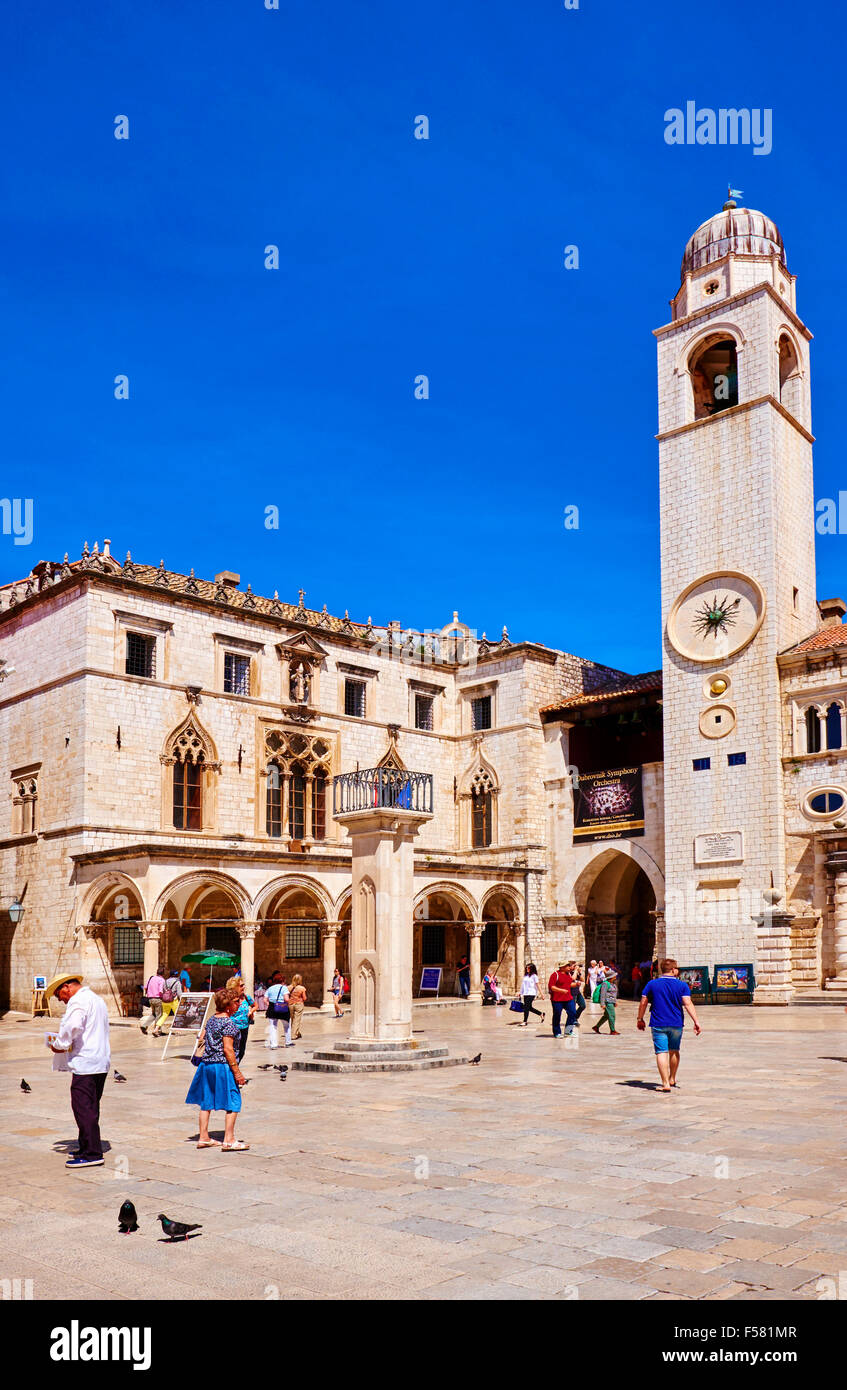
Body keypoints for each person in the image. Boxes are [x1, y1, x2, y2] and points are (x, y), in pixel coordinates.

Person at [45, 973, 111, 1169]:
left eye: (59, 996)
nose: (61, 1000)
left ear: (66, 988)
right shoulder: (96, 999)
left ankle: (92, 1153)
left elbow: (73, 1026)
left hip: (86, 1063)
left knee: (83, 1108)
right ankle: (86, 1146)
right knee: (91, 1107)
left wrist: (60, 1044)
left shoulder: (78, 1001)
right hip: (100, 1061)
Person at [185, 988, 248, 1150]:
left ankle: (204, 1137)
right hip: (222, 1066)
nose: (239, 1003)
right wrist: (237, 1072)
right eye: (236, 1001)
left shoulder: (211, 1020)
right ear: (228, 1005)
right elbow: (228, 1049)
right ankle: (229, 1139)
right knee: (234, 1100)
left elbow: (202, 1038)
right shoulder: (229, 1024)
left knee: (206, 1102)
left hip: (206, 1066)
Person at [637, 958, 702, 1093]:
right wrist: (696, 1021)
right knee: (674, 1050)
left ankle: (665, 1083)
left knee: (661, 1052)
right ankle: (672, 1078)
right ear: (673, 970)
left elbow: (643, 1002)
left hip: (658, 1023)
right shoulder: (682, 985)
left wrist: (640, 1018)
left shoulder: (652, 984)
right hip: (676, 1023)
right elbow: (688, 1003)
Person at [226, 976, 255, 1063]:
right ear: (234, 987)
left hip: (244, 1027)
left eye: (243, 985)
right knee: (232, 1051)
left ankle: (234, 1069)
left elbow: (255, 1005)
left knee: (241, 1051)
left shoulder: (246, 997)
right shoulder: (229, 999)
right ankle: (232, 1072)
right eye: (241, 985)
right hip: (232, 1028)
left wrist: (251, 1011)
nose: (244, 987)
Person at [151, 967, 183, 1037]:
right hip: (173, 1001)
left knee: (164, 1015)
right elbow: (179, 993)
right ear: (176, 975)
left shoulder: (165, 981)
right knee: (177, 1015)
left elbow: (163, 990)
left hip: (165, 1001)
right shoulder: (177, 982)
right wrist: (182, 1000)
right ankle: (177, 1030)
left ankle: (156, 1029)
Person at [547, 961, 576, 1038]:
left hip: (568, 998)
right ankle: (557, 1032)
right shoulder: (555, 975)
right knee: (557, 1015)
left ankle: (568, 1031)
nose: (569, 967)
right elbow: (552, 987)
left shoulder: (568, 974)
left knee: (573, 1013)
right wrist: (562, 991)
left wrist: (576, 984)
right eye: (568, 966)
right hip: (557, 999)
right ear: (562, 967)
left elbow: (568, 984)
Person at [265, 972, 291, 1049]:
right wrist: (289, 1002)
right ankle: (288, 1042)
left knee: (273, 1027)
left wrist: (269, 1005)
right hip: (283, 1007)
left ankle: (274, 1044)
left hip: (272, 1008)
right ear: (282, 980)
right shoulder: (284, 988)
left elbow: (265, 999)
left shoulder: (270, 988)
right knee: (287, 1025)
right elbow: (286, 999)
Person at [593, 965, 620, 1035]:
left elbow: (613, 994)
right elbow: (603, 994)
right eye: (614, 976)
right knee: (612, 1016)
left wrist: (615, 1001)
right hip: (608, 1002)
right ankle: (612, 1030)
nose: (615, 976)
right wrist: (602, 1004)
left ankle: (596, 1027)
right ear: (611, 977)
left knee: (606, 1016)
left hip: (611, 1002)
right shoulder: (605, 984)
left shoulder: (613, 984)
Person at [139, 967, 165, 1034]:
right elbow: (161, 991)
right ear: (163, 973)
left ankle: (144, 1026)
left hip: (150, 999)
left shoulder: (151, 978)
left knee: (154, 1014)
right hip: (157, 999)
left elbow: (145, 987)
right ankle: (157, 1031)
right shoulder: (161, 980)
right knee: (159, 1015)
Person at [288, 974, 307, 1042]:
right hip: (299, 1004)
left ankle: (297, 1033)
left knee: (293, 1019)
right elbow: (304, 998)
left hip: (290, 1004)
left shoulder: (289, 987)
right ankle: (293, 1035)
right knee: (297, 1020)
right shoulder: (302, 988)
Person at [568, 960, 586, 1026]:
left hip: (577, 992)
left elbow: (582, 980)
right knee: (572, 1007)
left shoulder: (575, 973)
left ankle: (575, 1017)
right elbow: (572, 979)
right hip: (570, 992)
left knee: (583, 1005)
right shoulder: (568, 973)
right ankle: (573, 1020)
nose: (576, 967)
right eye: (574, 966)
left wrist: (579, 973)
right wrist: (575, 971)